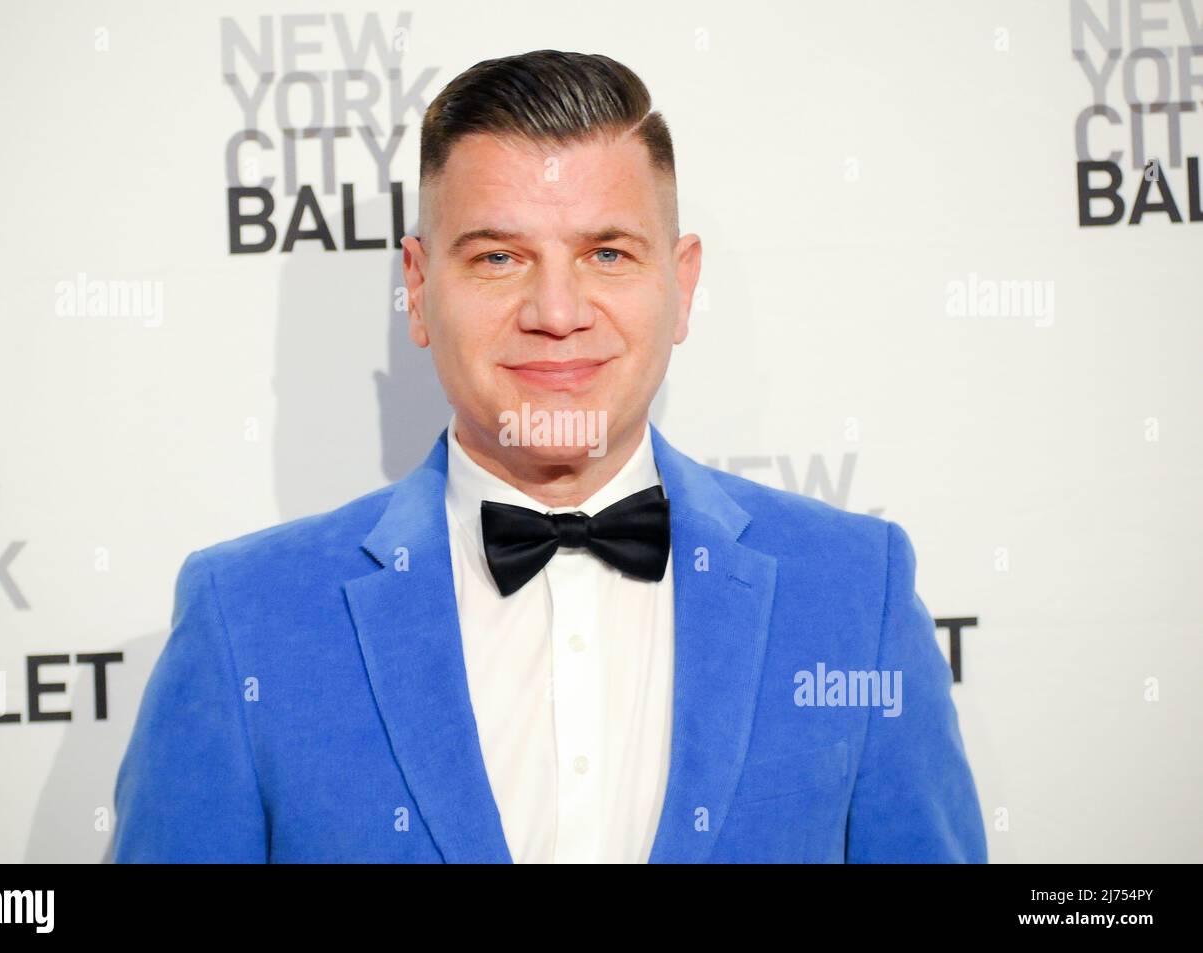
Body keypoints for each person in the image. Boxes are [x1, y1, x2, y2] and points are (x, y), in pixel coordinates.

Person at [113, 49, 987, 863]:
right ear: (418, 291)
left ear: (680, 287)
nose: (557, 311)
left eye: (607, 253)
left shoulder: (852, 593)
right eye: (499, 257)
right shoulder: (247, 622)